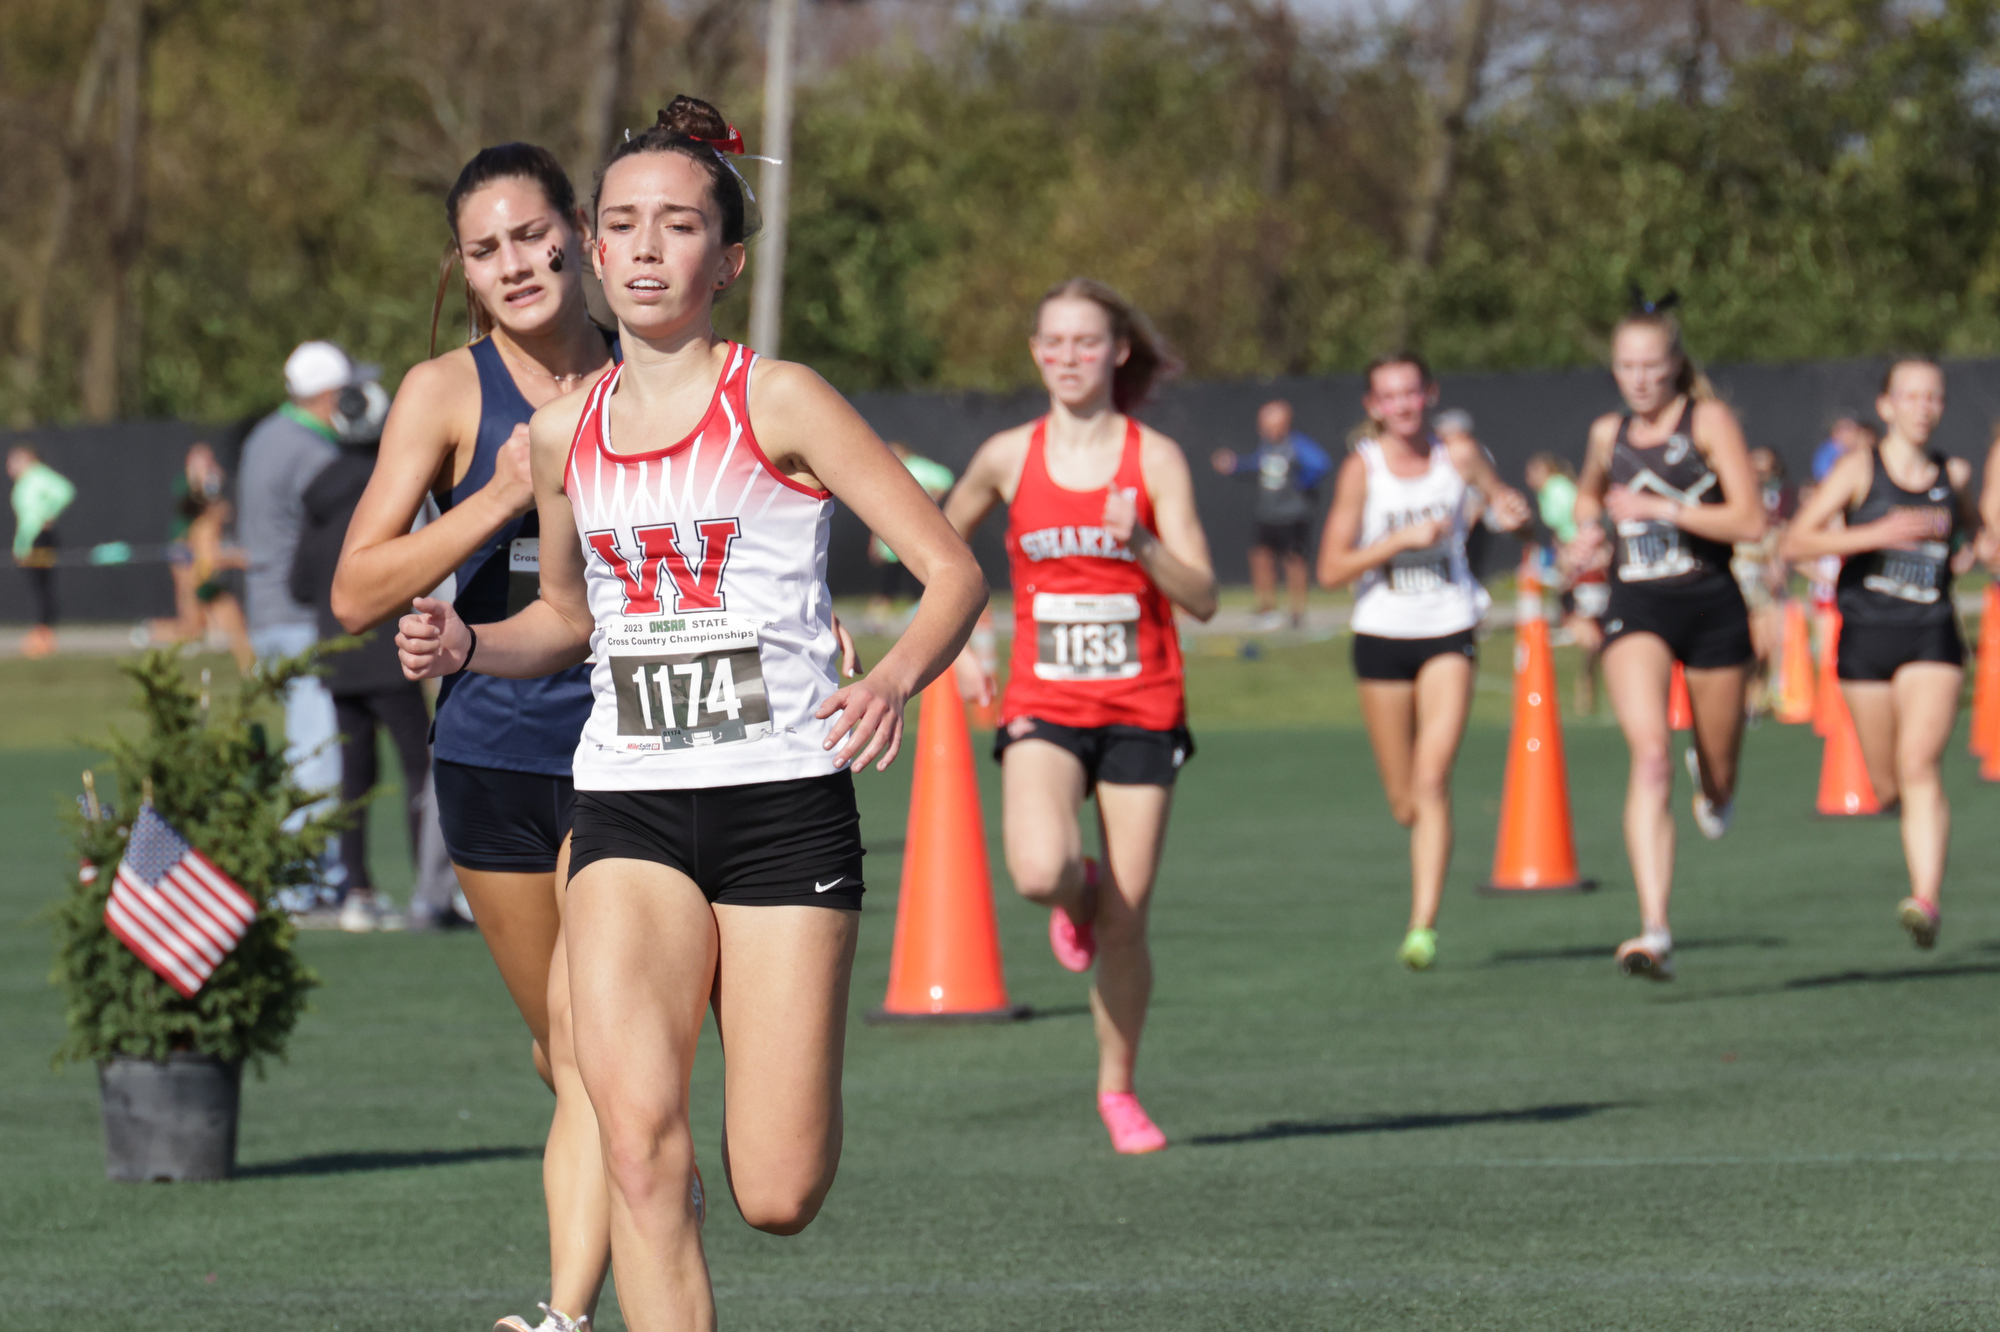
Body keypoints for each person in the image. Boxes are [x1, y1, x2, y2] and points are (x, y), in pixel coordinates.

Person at [395, 97, 986, 1330]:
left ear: (724, 261)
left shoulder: (781, 401)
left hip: (780, 807)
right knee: (637, 1145)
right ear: (593, 257)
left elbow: (952, 573)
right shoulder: (561, 439)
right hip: (627, 808)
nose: (648, 247)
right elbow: (564, 618)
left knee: (773, 1190)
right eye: (623, 225)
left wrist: (886, 681)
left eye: (679, 225)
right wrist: (467, 641)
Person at [330, 142, 616, 1330]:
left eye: (532, 235)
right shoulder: (444, 393)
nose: (515, 264)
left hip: (631, 750)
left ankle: (564, 1311)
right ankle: (640, 1193)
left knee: (600, 1049)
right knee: (566, 1059)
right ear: (464, 264)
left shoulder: (651, 365)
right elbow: (355, 592)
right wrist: (501, 492)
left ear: (577, 231)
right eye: (486, 248)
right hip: (491, 752)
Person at [946, 277, 1218, 1154]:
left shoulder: (1157, 460)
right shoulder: (1006, 456)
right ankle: (1078, 889)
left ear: (1118, 352)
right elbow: (936, 548)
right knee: (1036, 870)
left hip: (1142, 705)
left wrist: (1140, 542)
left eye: (1087, 342)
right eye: (1055, 343)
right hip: (1045, 702)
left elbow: (1205, 595)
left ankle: (1118, 1089)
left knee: (1130, 926)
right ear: (1035, 353)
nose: (1070, 358)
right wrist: (964, 638)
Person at [1566, 303, 1765, 980]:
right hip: (1638, 606)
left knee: (1717, 776)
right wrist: (1588, 532)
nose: (1640, 379)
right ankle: (1654, 929)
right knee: (1649, 754)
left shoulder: (1707, 423)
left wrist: (1661, 508)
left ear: (1677, 364)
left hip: (1711, 607)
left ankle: (1713, 789)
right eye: (1627, 365)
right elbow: (1588, 498)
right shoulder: (1606, 432)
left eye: (1653, 365)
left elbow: (1749, 520)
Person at [1316, 356, 1530, 971]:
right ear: (1373, 407)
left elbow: (1502, 502)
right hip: (1382, 635)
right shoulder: (1363, 471)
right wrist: (1397, 543)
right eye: (1391, 397)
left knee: (1433, 777)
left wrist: (1511, 513)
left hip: (1448, 627)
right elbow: (1331, 569)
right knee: (1405, 801)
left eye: (1413, 392)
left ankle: (1423, 926)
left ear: (1430, 394)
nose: (1405, 405)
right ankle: (1418, 841)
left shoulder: (1458, 454)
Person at [1784, 359, 1974, 949]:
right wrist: (1874, 534)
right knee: (1888, 785)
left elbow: (1971, 531)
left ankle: (1925, 900)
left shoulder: (1953, 473)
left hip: (1931, 635)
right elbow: (1795, 542)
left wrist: (1971, 551)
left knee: (1920, 764)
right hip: (1866, 637)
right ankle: (1902, 818)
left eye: (1933, 397)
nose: (1922, 407)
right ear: (1887, 405)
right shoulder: (1858, 470)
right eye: (1910, 396)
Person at [292, 377, 424, 933]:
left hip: (339, 655)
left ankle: (358, 891)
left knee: (354, 779)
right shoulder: (393, 482)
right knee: (424, 769)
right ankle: (434, 887)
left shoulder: (317, 492)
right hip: (392, 650)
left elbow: (300, 584)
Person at [240, 340, 357, 895]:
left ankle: (300, 878)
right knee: (317, 752)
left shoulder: (267, 436)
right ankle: (303, 883)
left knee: (302, 745)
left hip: (269, 613)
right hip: (300, 615)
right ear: (328, 394)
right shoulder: (311, 453)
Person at [1211, 398, 1329, 630]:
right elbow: (1256, 466)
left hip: (1292, 516)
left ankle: (1297, 611)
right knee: (1260, 557)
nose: (1263, 427)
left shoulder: (1296, 445)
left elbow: (1320, 464)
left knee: (1294, 561)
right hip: (1267, 514)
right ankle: (1267, 609)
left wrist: (1302, 484)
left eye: (1268, 422)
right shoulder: (1266, 447)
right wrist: (1234, 465)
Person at [863, 442, 955, 633]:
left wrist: (928, 501)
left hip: (911, 542)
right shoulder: (887, 472)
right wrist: (875, 542)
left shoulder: (914, 467)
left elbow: (945, 479)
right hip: (892, 547)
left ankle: (923, 620)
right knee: (888, 587)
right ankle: (877, 622)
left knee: (920, 586)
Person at [1734, 447, 1795, 717]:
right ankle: (1743, 696)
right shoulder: (1736, 493)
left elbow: (1780, 532)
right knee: (1747, 641)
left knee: (1770, 638)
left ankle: (1764, 694)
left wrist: (1778, 563)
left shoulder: (1778, 497)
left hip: (1765, 569)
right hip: (1741, 569)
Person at [8, 445, 75, 659]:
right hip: (31, 541)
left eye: (15, 460)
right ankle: (41, 632)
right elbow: (25, 521)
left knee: (43, 587)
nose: (10, 465)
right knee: (37, 586)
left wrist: (49, 513)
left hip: (41, 539)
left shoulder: (38, 476)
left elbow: (64, 491)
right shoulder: (24, 483)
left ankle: (45, 634)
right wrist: (20, 546)